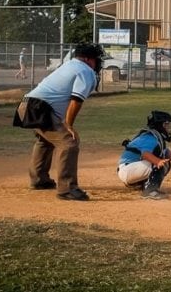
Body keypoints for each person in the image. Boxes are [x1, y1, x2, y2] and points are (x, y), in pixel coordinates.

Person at [15, 43, 104, 201]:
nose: (98, 63)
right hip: (39, 108)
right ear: (88, 59)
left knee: (46, 141)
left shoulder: (70, 65)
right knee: (69, 142)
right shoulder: (86, 71)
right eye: (96, 59)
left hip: (28, 105)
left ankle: (39, 179)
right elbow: (76, 100)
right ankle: (67, 189)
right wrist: (68, 125)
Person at [117, 110, 171, 199]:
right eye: (166, 125)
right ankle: (150, 191)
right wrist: (158, 161)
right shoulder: (150, 138)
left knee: (166, 163)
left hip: (132, 170)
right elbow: (145, 154)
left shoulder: (156, 138)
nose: (169, 128)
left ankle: (143, 185)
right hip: (128, 170)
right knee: (160, 164)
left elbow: (170, 155)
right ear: (160, 125)